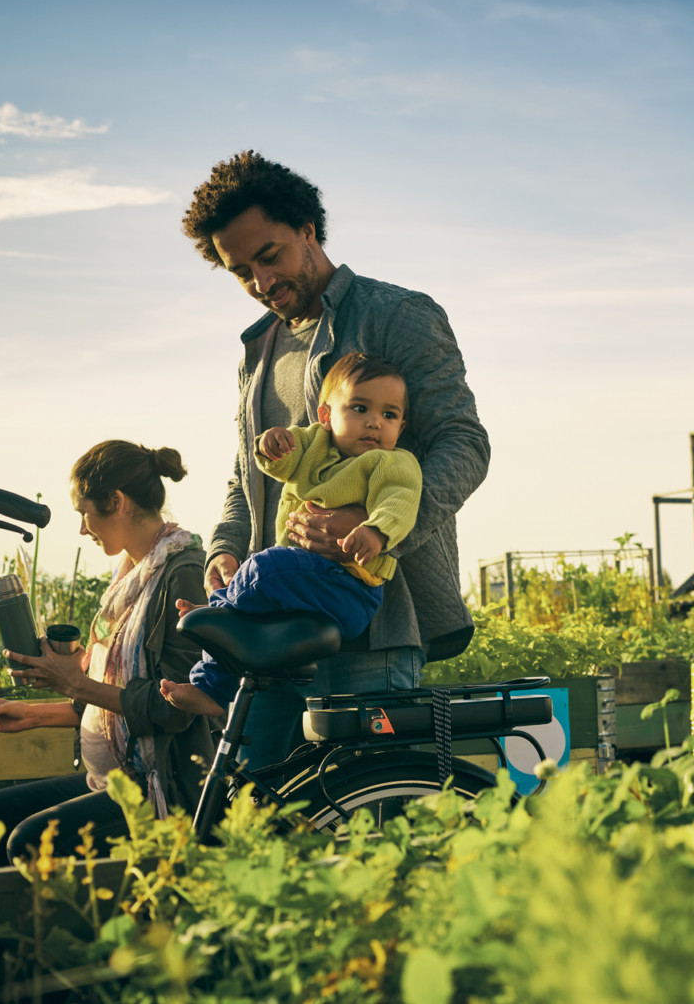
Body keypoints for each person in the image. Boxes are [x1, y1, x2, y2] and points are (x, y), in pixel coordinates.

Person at [181, 150, 489, 768]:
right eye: (242, 271)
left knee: (370, 816)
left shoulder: (398, 315)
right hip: (272, 638)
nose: (262, 283)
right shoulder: (256, 352)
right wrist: (224, 548)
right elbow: (249, 476)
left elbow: (465, 442)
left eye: (270, 256)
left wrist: (377, 532)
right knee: (264, 813)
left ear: (308, 231)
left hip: (370, 632)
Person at [0, 440, 209, 865]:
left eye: (83, 513)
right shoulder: (130, 577)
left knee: (27, 843)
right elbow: (104, 702)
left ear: (116, 502)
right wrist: (31, 714)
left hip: (156, 789)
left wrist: (73, 681)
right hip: (105, 779)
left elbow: (173, 708)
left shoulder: (182, 575)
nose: (83, 529)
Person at [161, 352, 421, 715]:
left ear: (401, 427)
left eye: (389, 415)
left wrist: (376, 530)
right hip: (307, 589)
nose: (375, 423)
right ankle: (219, 640)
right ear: (326, 415)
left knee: (266, 568)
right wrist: (272, 444)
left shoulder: (392, 462)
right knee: (260, 589)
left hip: (349, 590)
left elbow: (400, 500)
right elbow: (278, 463)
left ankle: (220, 628)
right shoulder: (315, 446)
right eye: (360, 409)